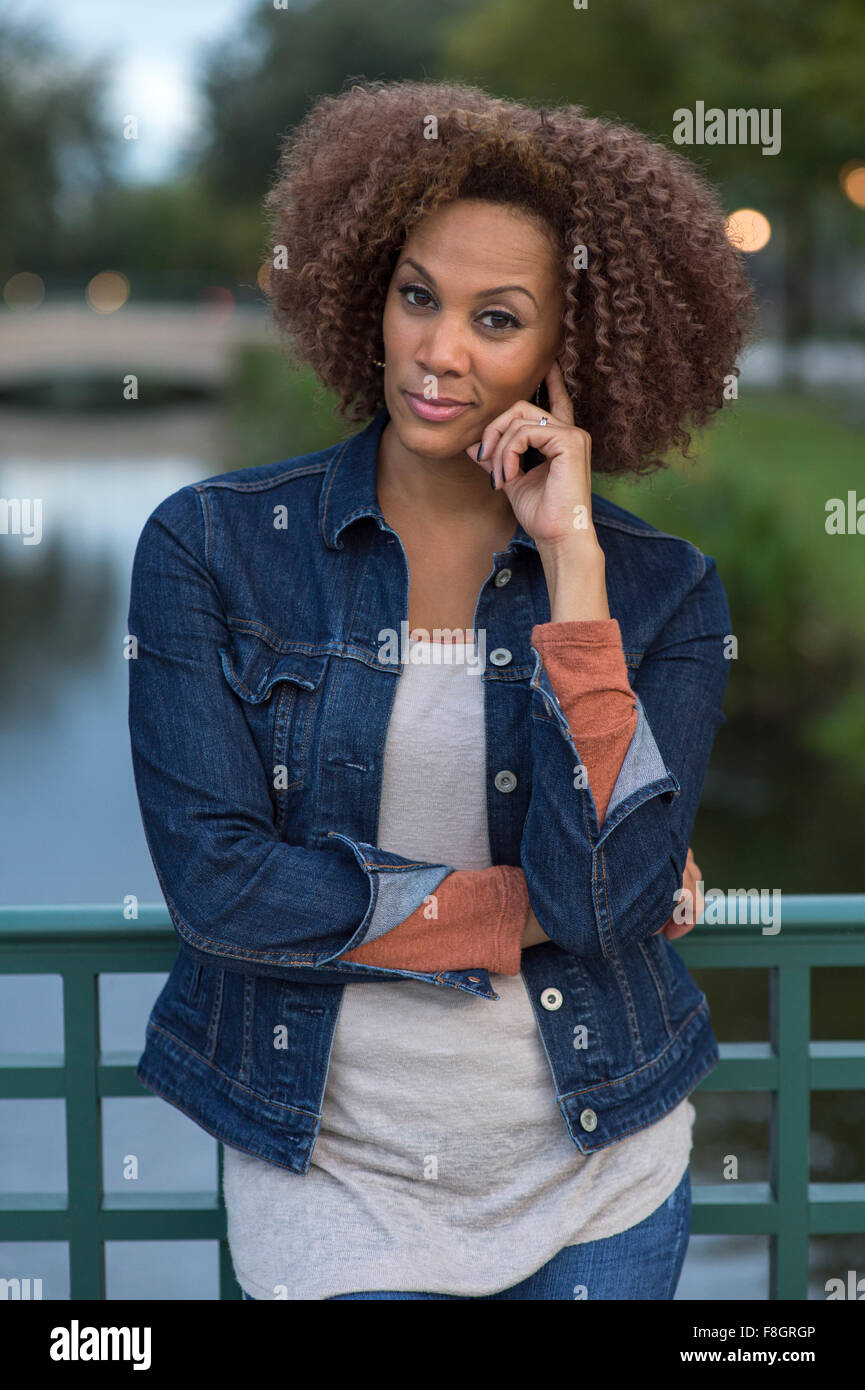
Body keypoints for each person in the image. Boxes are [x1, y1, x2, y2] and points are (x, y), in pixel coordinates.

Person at [128, 79, 755, 1300]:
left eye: (498, 319)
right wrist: (510, 912)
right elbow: (221, 888)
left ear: (570, 355)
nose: (438, 349)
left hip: (598, 1170)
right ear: (369, 289)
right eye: (419, 296)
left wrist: (575, 572)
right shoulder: (210, 548)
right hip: (332, 1172)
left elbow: (609, 897)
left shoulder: (664, 593)